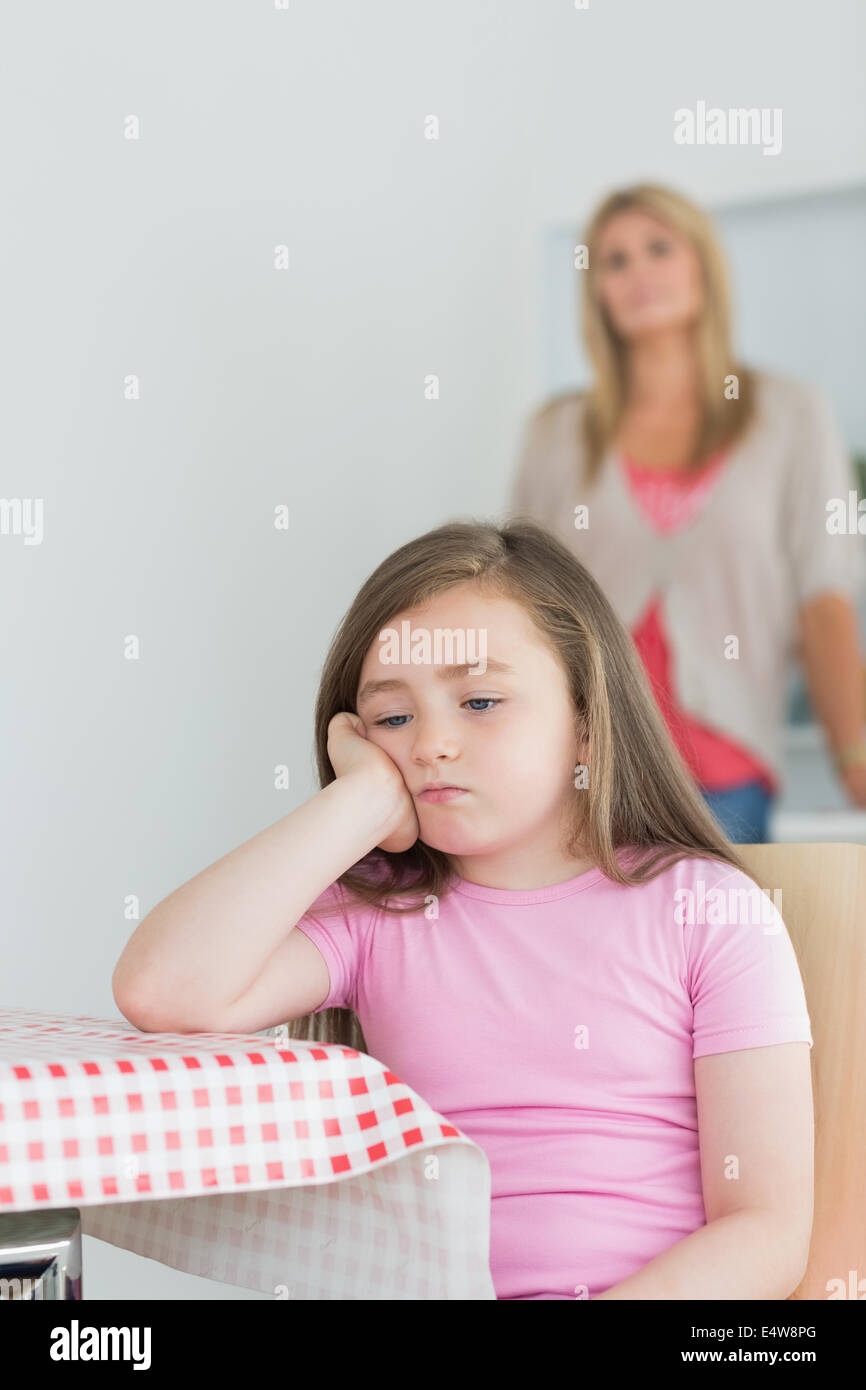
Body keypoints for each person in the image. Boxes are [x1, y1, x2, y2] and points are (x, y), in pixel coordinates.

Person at [112, 519, 814, 1300]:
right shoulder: (376, 913)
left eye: (479, 701)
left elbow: (767, 1230)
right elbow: (165, 990)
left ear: (585, 722)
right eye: (393, 719)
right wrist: (363, 800)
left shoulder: (711, 913)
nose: (431, 744)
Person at [509, 182, 866, 843]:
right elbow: (521, 610)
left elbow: (824, 600)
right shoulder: (556, 434)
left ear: (702, 263)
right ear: (598, 294)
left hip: (726, 768)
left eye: (657, 248)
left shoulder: (790, 416)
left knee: (716, 945)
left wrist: (855, 755)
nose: (637, 272)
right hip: (582, 770)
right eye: (614, 262)